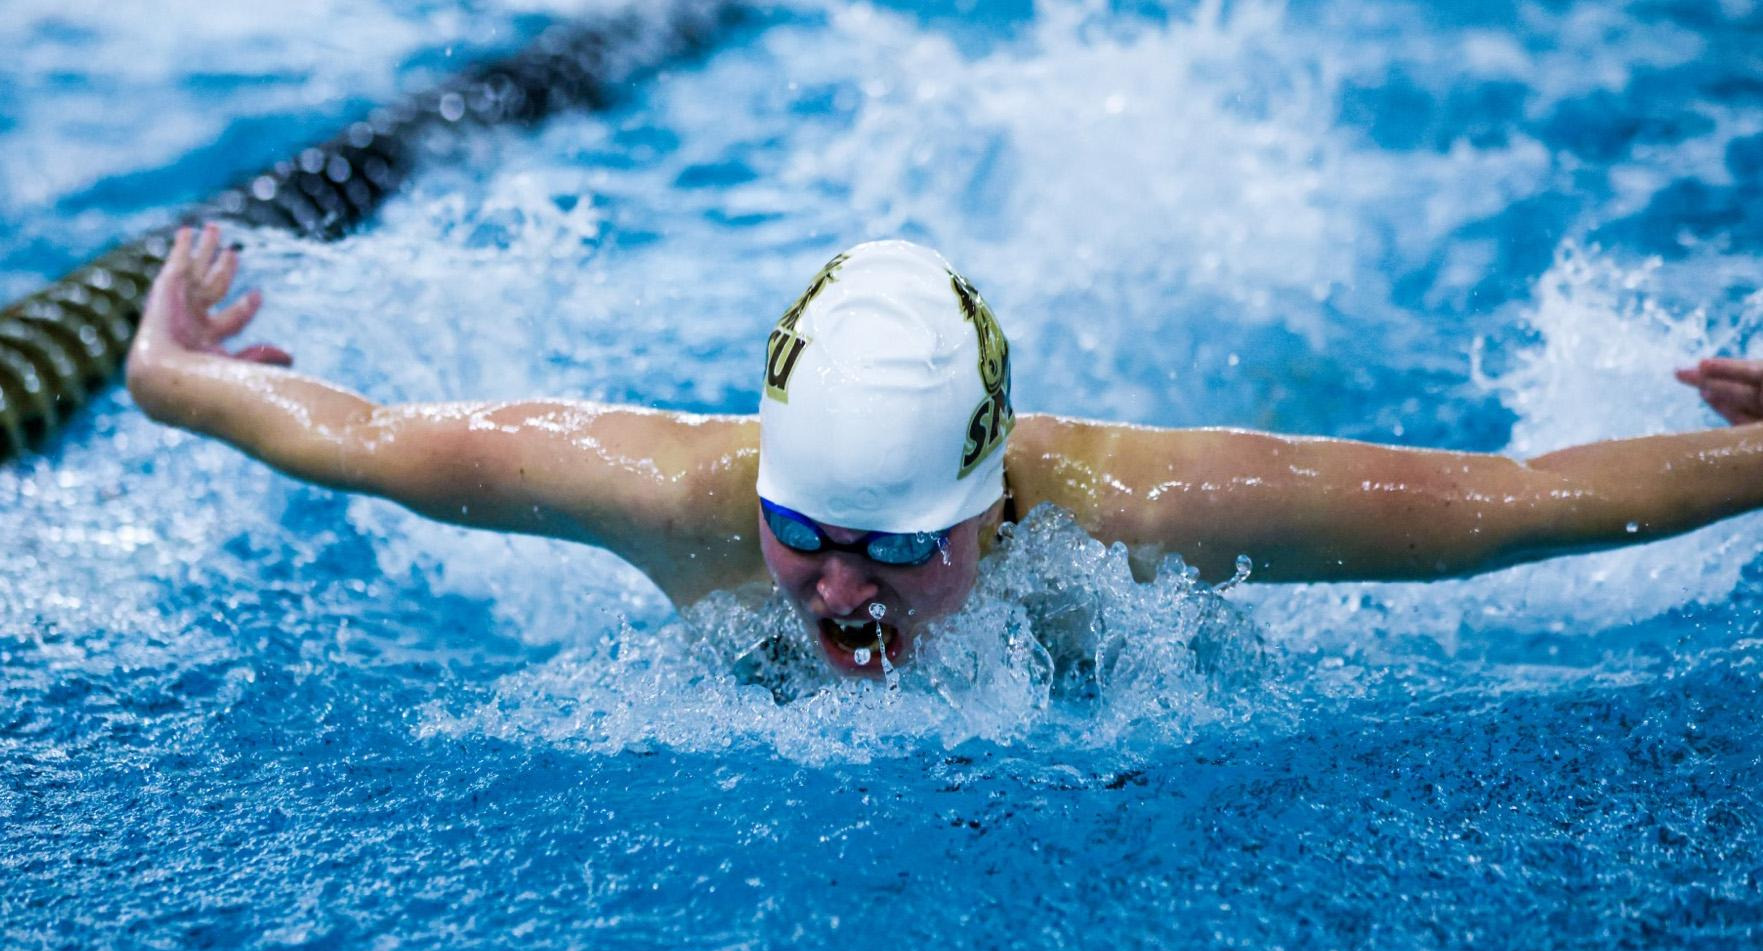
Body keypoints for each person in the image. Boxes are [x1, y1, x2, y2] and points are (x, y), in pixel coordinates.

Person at [127, 224, 1763, 676]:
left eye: (901, 547)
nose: (841, 591)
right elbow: (364, 437)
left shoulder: (1144, 515)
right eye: (808, 530)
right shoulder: (663, 496)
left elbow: (1508, 510)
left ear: (993, 498)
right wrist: (170, 376)